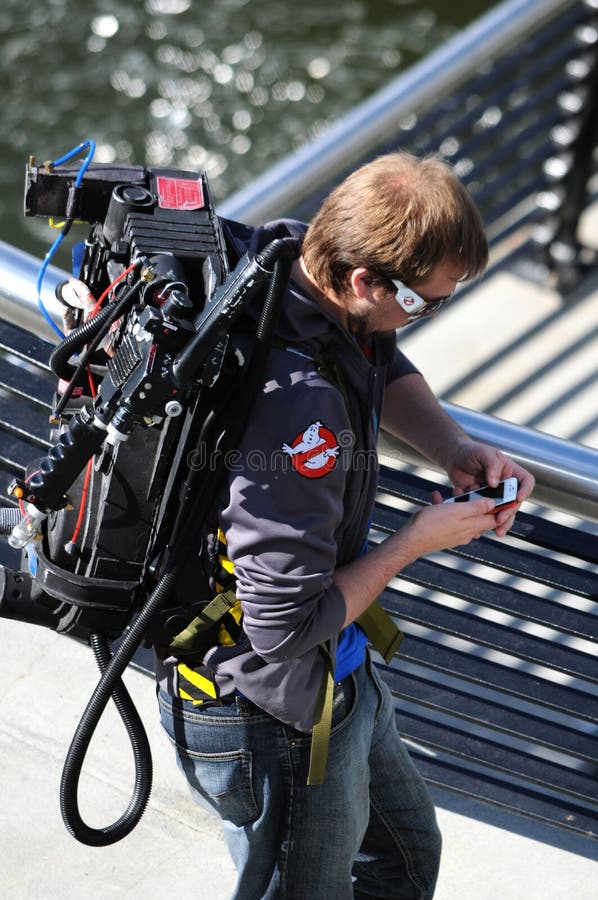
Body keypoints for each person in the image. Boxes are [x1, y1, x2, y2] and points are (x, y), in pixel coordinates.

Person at [155, 152, 535, 899]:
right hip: (271, 715)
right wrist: (412, 544)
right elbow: (281, 628)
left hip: (338, 672)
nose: (424, 317)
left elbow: (376, 354)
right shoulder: (302, 421)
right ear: (365, 280)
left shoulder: (295, 257)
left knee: (401, 860)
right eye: (425, 302)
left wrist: (455, 448)